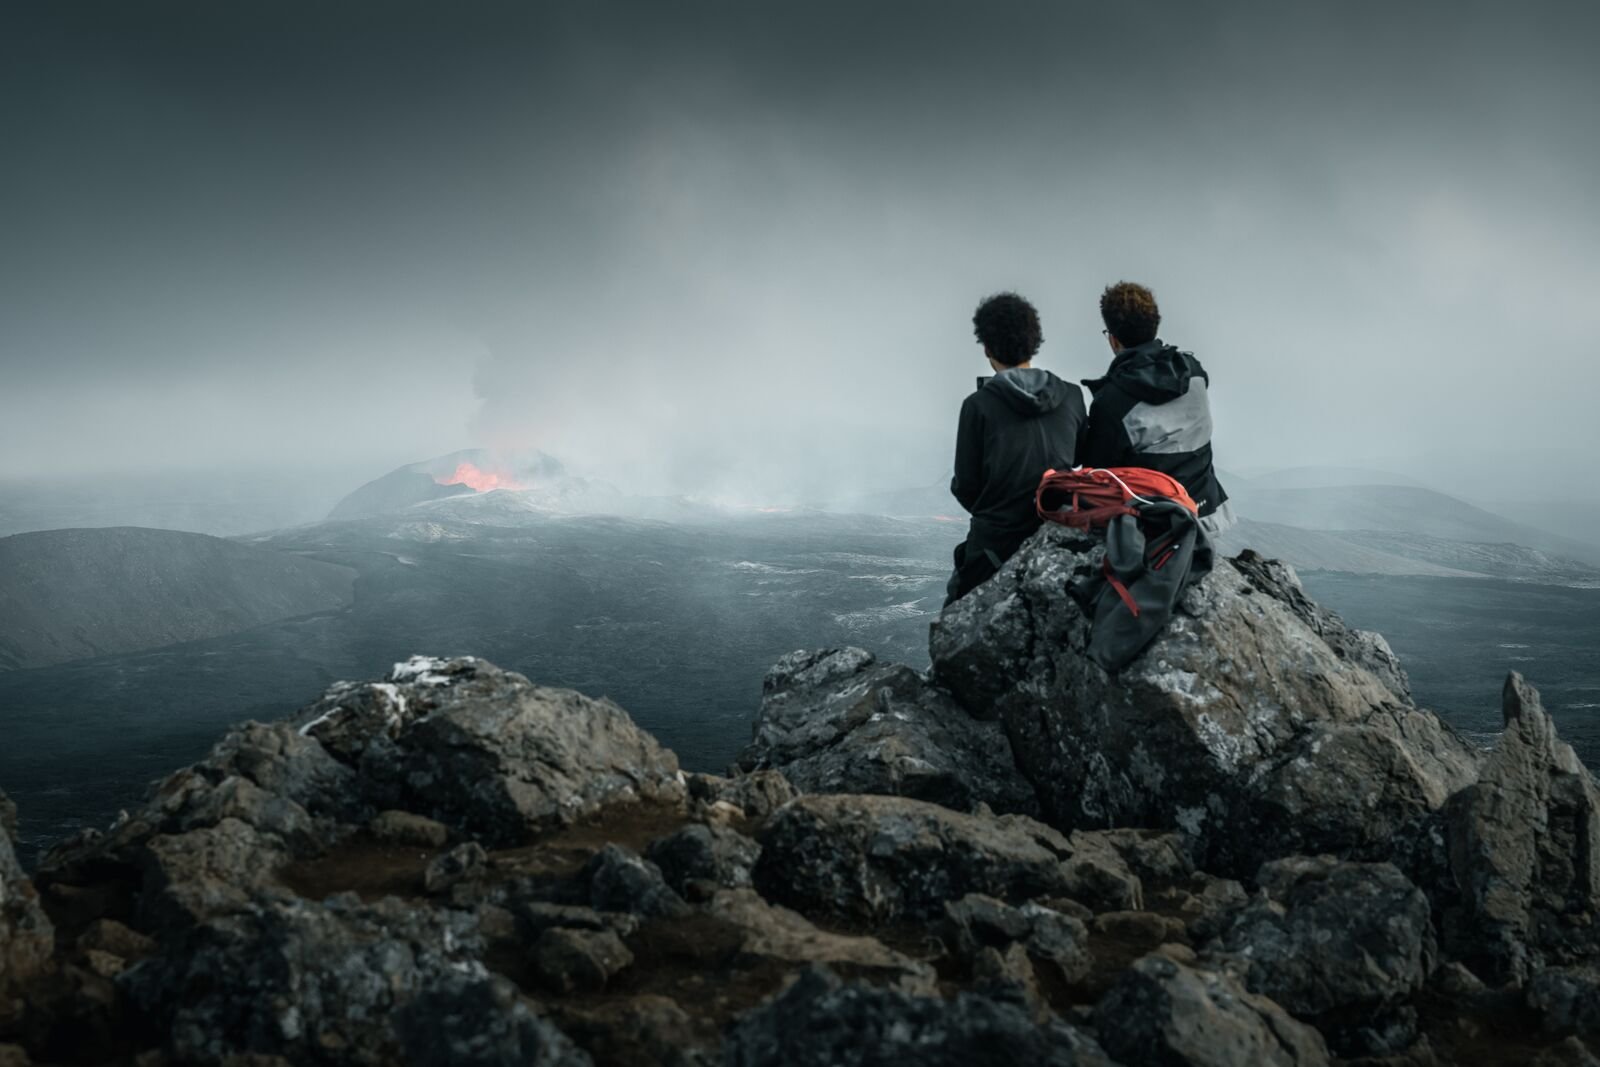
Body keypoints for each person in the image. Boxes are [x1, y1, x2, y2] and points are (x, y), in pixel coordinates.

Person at [946, 292, 1087, 605]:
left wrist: (998, 512)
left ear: (986, 347)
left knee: (956, 614)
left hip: (994, 545)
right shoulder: (1072, 396)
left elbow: (965, 486)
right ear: (1034, 342)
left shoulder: (978, 405)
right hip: (1053, 536)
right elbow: (1079, 456)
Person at [1081, 281, 1236, 536]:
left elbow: (1098, 469)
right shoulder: (1193, 371)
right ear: (1155, 326)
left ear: (1113, 339)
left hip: (1154, 525)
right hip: (1209, 512)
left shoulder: (1112, 401)